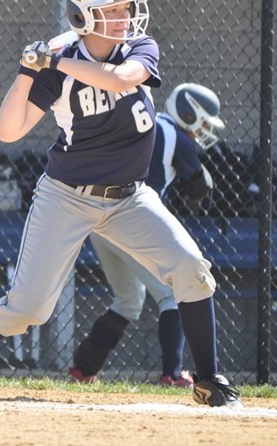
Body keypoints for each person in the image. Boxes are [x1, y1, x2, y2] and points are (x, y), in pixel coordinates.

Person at [0, 0, 242, 408]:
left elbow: (119, 80)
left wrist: (56, 59)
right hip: (66, 197)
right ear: (85, 16)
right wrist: (27, 71)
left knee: (192, 269)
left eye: (126, 8)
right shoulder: (55, 69)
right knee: (30, 309)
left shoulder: (138, 47)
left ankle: (209, 380)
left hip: (130, 198)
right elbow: (8, 131)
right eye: (115, 11)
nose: (126, 18)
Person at [69, 83, 225, 387]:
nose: (202, 129)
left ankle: (82, 369)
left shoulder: (144, 119)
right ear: (188, 112)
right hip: (131, 223)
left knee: (128, 301)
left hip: (98, 221)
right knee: (171, 293)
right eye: (202, 121)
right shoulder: (179, 138)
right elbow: (198, 187)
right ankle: (173, 373)